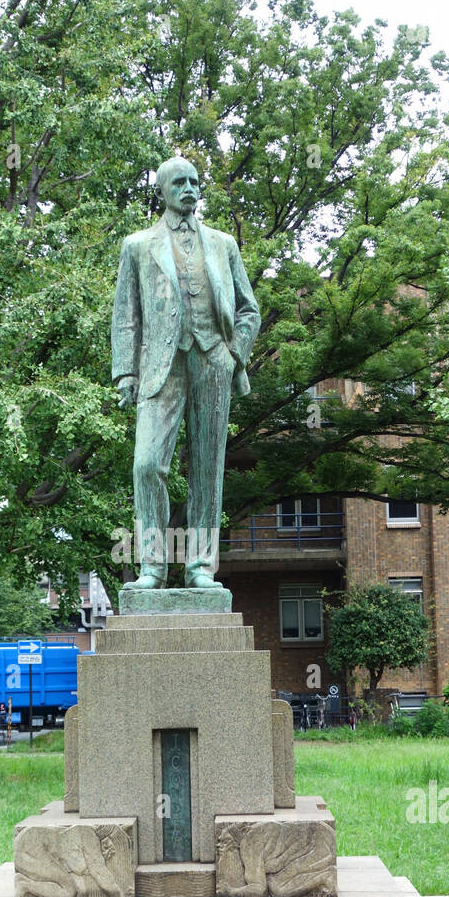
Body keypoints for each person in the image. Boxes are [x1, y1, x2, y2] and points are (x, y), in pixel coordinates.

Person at [111, 155, 260, 589]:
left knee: (208, 466)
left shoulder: (223, 244)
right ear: (161, 190)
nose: (189, 189)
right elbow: (126, 315)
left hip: (212, 360)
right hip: (161, 364)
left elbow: (249, 308)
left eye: (195, 182)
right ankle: (153, 566)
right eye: (179, 183)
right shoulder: (138, 246)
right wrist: (125, 372)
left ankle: (200, 567)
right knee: (146, 464)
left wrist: (234, 353)